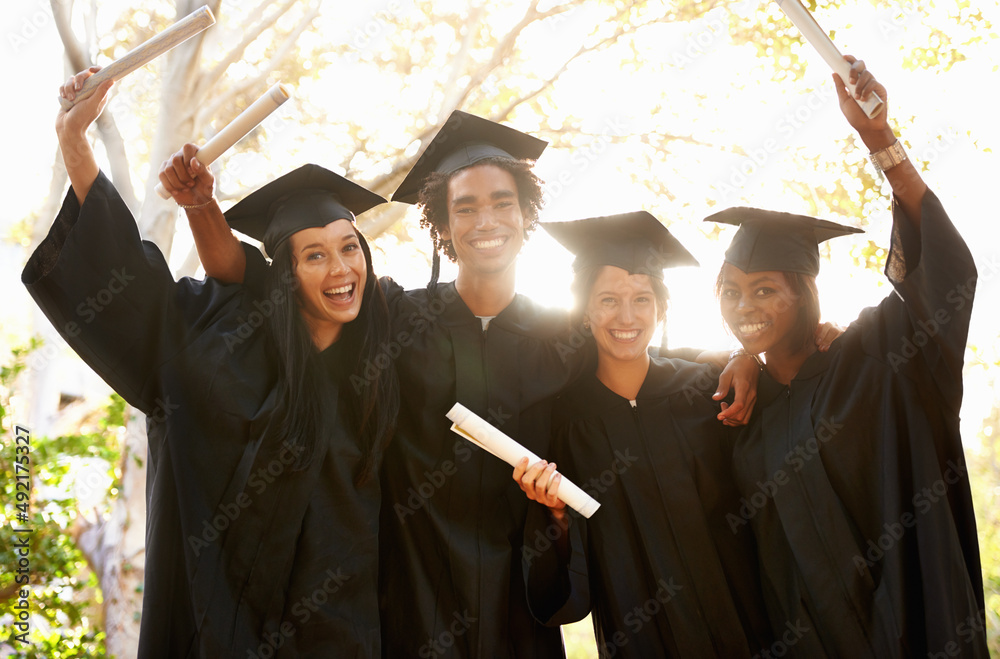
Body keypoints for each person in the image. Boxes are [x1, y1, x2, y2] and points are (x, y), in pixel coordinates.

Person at [190, 110, 763, 656]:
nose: (485, 220)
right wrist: (200, 207)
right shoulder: (392, 316)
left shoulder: (563, 334)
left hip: (518, 598)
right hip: (414, 592)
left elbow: (640, 355)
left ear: (524, 215)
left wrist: (740, 356)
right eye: (464, 208)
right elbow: (262, 278)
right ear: (440, 223)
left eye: (501, 203)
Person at [23, 67, 398, 657]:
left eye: (350, 248)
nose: (341, 270)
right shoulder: (219, 346)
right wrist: (75, 141)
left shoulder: (384, 356)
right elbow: (134, 284)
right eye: (315, 256)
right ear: (286, 276)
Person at [707, 57, 987, 657]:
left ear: (807, 291)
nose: (744, 305)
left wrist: (879, 139)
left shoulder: (882, 357)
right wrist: (741, 356)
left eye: (765, 289)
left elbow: (947, 273)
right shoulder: (739, 411)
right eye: (729, 290)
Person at [511, 211, 775, 657]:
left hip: (747, 619)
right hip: (640, 633)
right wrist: (555, 516)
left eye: (642, 299)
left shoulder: (707, 391)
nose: (627, 316)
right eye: (609, 299)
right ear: (585, 310)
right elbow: (567, 557)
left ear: (661, 308)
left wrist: (748, 357)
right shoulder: (563, 421)